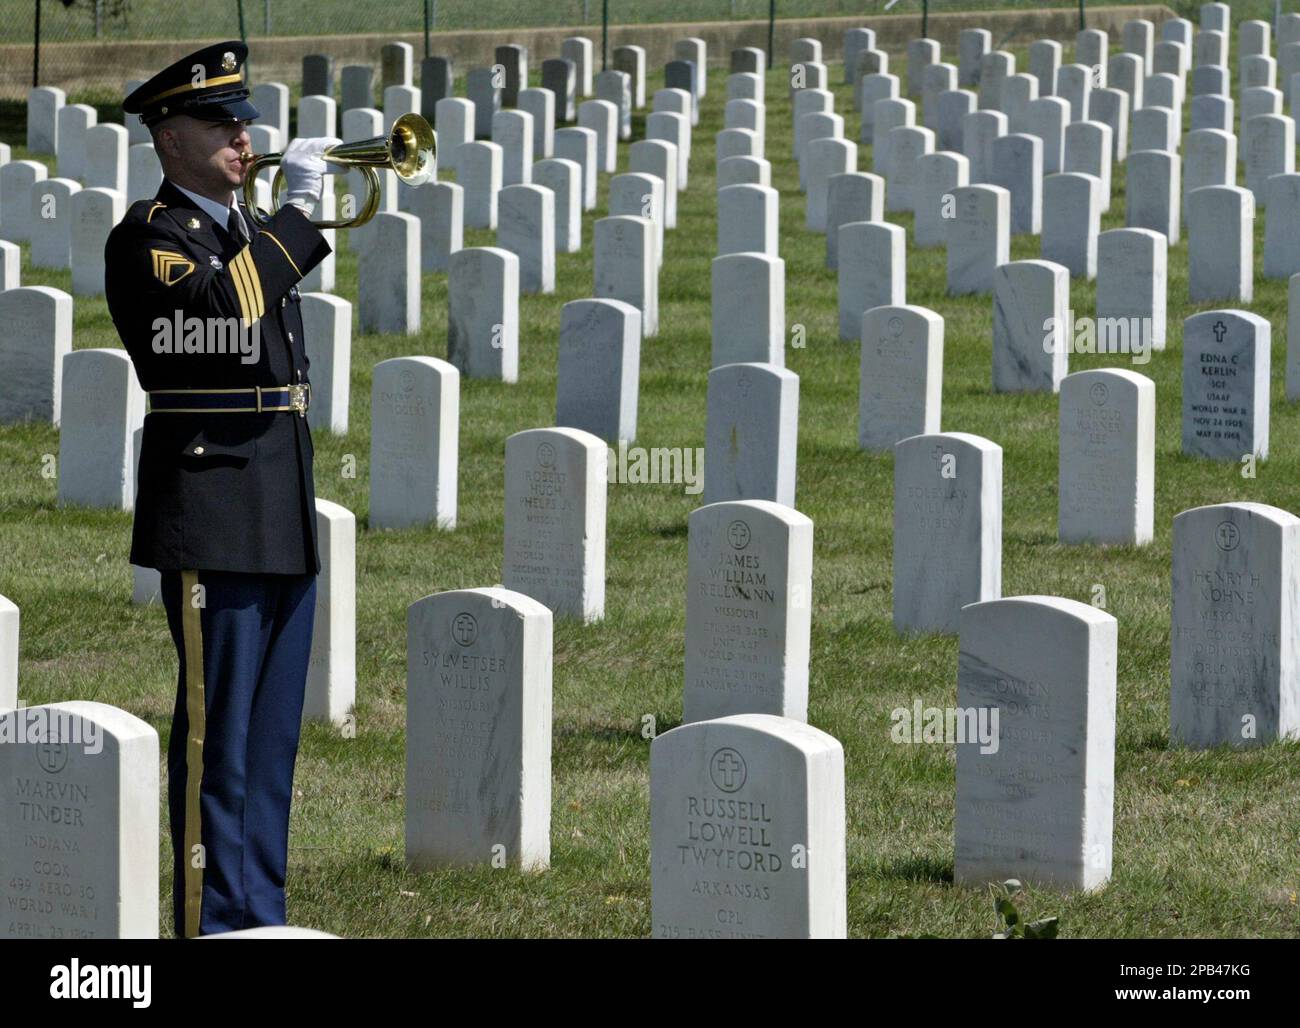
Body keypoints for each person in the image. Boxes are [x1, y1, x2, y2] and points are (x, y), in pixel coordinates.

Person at [104, 41, 337, 938]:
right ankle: (212, 921)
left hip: (277, 503)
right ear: (168, 137)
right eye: (219, 122)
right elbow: (214, 322)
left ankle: (258, 916)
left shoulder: (242, 236)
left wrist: (278, 229)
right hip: (212, 509)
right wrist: (297, 219)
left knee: (270, 745)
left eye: (244, 120)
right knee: (218, 744)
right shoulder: (151, 239)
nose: (244, 136)